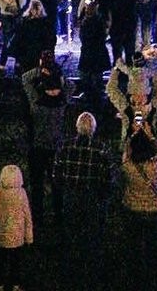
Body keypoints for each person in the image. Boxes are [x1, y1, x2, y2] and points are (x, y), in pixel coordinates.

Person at [53, 112, 112, 286]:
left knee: (71, 233)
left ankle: (69, 272)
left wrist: (64, 189)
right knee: (92, 236)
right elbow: (109, 178)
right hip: (92, 197)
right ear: (94, 129)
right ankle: (91, 273)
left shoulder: (64, 147)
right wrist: (103, 196)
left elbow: (56, 175)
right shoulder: (101, 148)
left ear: (76, 127)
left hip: (71, 195)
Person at [118, 124, 157, 291]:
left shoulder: (128, 166)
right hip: (153, 209)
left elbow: (125, 151)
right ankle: (153, 274)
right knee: (153, 244)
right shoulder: (156, 165)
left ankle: (134, 276)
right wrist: (151, 137)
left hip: (132, 207)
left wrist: (132, 136)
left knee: (133, 244)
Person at [21, 49, 66, 221]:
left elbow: (25, 79)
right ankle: (58, 212)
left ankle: (38, 213)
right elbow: (70, 85)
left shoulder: (37, 102)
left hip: (38, 146)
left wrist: (40, 70)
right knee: (56, 182)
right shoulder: (62, 101)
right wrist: (56, 71)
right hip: (56, 145)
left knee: (37, 181)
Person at [0, 164, 33, 291]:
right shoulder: (21, 193)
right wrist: (29, 237)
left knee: (0, 261)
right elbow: (27, 216)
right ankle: (15, 285)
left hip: (0, 234)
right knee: (15, 262)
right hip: (16, 236)